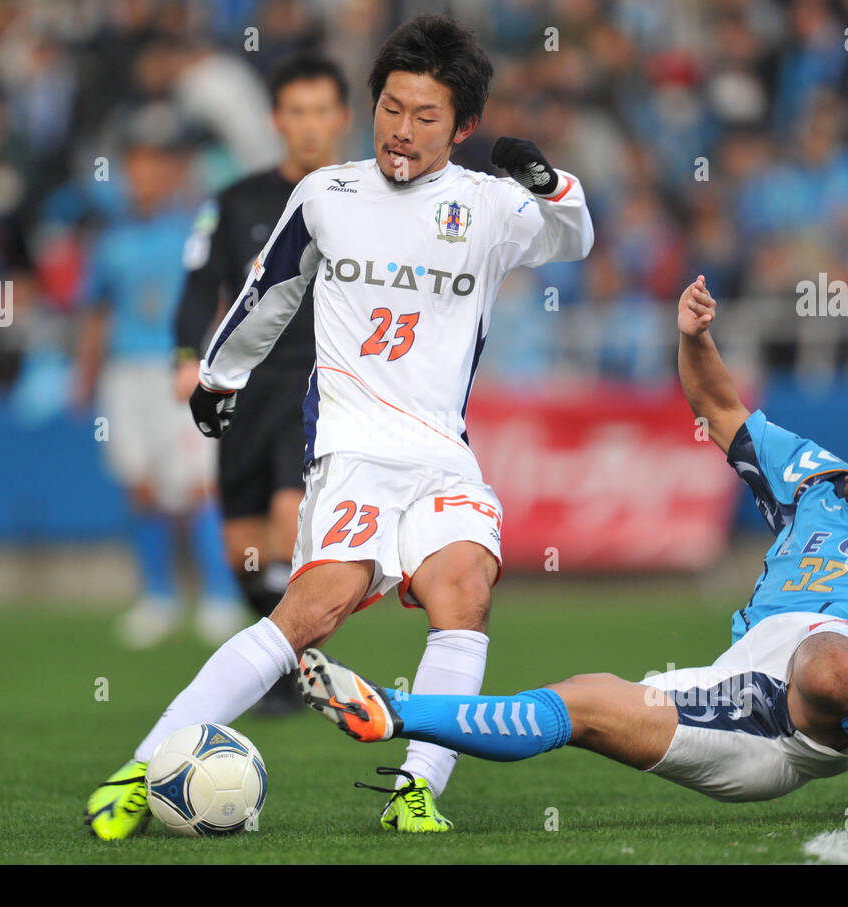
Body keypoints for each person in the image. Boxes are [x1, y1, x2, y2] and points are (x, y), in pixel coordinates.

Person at [85, 14, 594, 839]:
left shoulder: (489, 206)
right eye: (391, 107)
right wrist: (220, 374)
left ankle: (415, 789)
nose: (402, 130)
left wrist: (549, 182)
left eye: (426, 117)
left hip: (440, 456)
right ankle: (142, 770)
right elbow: (269, 292)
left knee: (464, 589)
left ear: (461, 126)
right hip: (352, 452)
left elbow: (576, 238)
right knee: (310, 614)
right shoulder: (326, 194)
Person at [294, 275, 848, 824]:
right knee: (585, 698)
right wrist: (694, 339)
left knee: (833, 656)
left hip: (825, 692)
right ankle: (388, 711)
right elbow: (718, 405)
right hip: (743, 702)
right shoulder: (809, 483)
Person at [172, 53, 352, 713]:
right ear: (277, 119)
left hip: (321, 388)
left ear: (343, 118)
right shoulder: (234, 201)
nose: (310, 127)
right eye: (297, 112)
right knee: (243, 550)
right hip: (247, 388)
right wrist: (187, 354)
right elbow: (198, 286)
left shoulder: (366, 200)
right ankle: (294, 656)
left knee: (288, 521)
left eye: (322, 112)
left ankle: (281, 670)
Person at [73, 111, 245, 649]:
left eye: (156, 166)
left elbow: (218, 297)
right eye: (137, 166)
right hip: (127, 374)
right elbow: (98, 311)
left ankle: (219, 597)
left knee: (199, 485)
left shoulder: (194, 229)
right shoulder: (111, 239)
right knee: (142, 486)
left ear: (172, 172)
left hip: (182, 366)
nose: (146, 176)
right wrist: (86, 373)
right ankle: (159, 598)